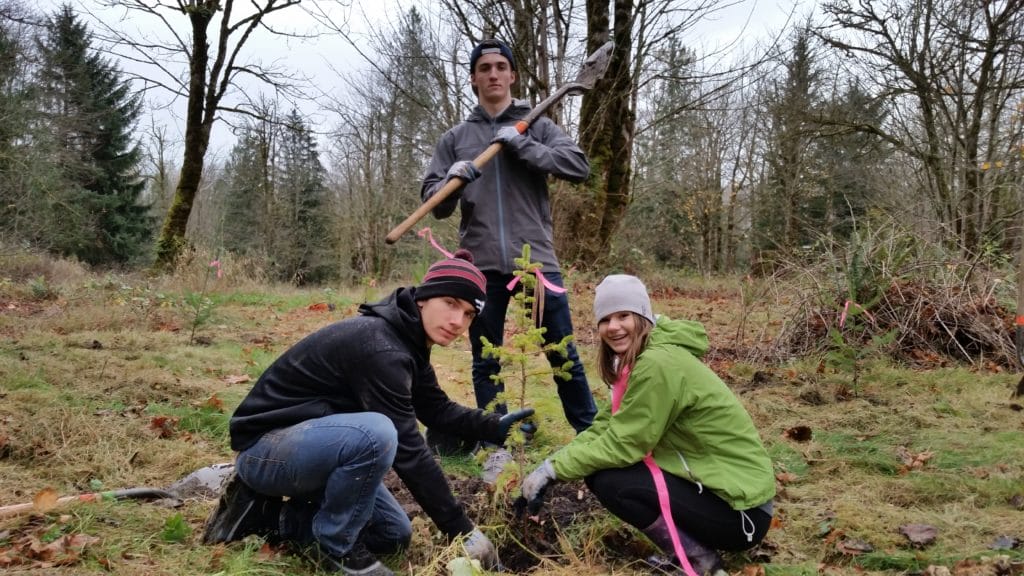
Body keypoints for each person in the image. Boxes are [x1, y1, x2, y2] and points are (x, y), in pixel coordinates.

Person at [202, 249, 535, 576]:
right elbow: (409, 449)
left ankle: (263, 516)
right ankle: (338, 545)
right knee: (378, 434)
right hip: (266, 450)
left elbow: (435, 408)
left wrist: (494, 427)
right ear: (423, 298)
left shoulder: (409, 341)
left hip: (315, 449)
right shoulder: (381, 346)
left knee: (392, 535)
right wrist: (460, 529)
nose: (456, 321)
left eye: (467, 314)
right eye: (450, 304)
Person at [518, 275, 776, 575]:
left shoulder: (657, 364)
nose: (613, 326)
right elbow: (607, 424)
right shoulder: (639, 360)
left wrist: (553, 470)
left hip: (741, 511)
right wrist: (552, 464)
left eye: (623, 315)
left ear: (642, 316)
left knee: (611, 481)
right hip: (724, 494)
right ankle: (691, 551)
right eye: (605, 319)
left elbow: (625, 444)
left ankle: (698, 560)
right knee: (602, 469)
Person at [420, 38, 597, 435]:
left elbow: (578, 166)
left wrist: (524, 145)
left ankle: (592, 436)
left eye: (501, 66)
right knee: (486, 360)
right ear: (473, 79)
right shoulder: (455, 138)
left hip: (537, 262)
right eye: (485, 68)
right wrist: (453, 180)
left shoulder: (539, 126)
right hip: (480, 265)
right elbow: (436, 203)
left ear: (512, 75)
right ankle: (503, 434)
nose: (494, 74)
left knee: (563, 354)